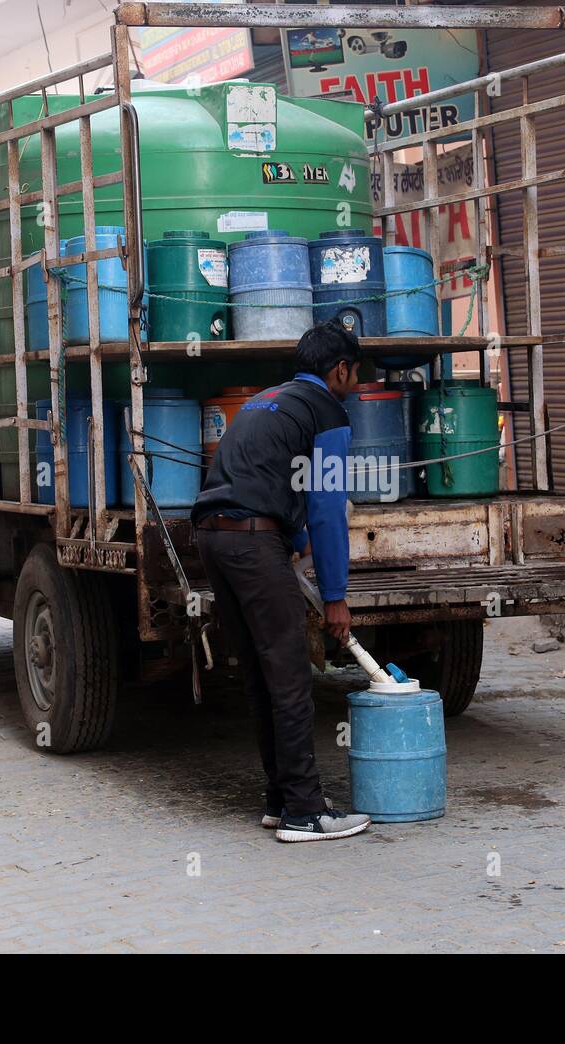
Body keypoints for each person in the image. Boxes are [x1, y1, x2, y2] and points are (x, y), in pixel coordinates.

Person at [192, 320, 372, 842]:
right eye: (355, 374)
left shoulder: (266, 400)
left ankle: (280, 799)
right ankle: (305, 812)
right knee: (291, 675)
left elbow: (262, 475)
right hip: (251, 541)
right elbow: (327, 508)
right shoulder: (327, 413)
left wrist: (291, 540)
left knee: (261, 674)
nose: (355, 386)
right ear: (339, 370)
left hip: (213, 535)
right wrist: (336, 597)